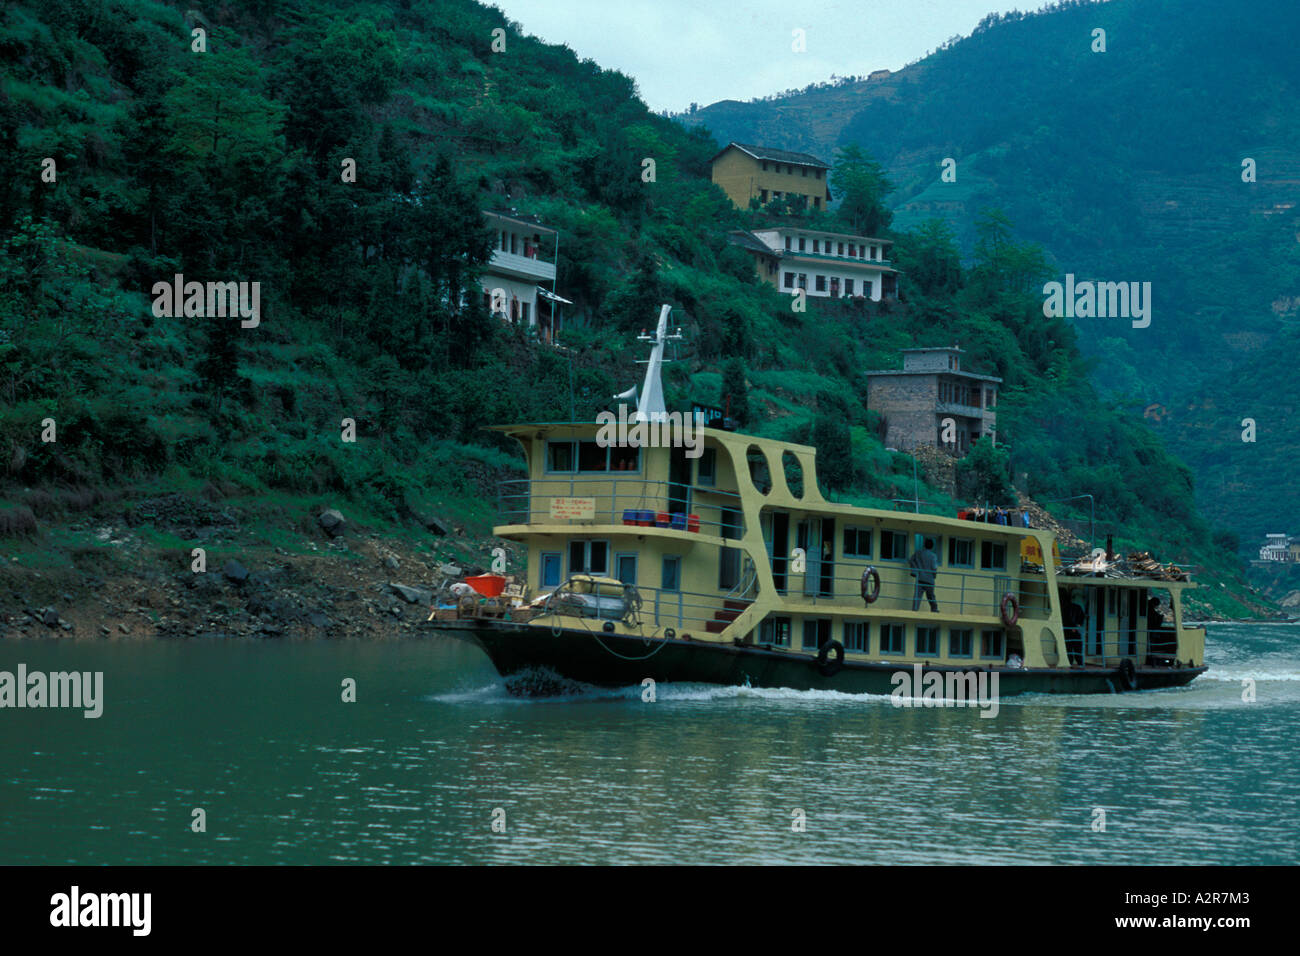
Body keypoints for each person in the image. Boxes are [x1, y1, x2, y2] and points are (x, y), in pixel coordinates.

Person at [909, 538, 940, 612]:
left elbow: (910, 560)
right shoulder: (933, 556)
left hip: (920, 578)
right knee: (931, 597)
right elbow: (934, 568)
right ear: (932, 546)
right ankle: (934, 610)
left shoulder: (918, 553)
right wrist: (934, 576)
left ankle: (915, 610)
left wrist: (916, 569)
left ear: (924, 545)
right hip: (929, 580)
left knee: (917, 597)